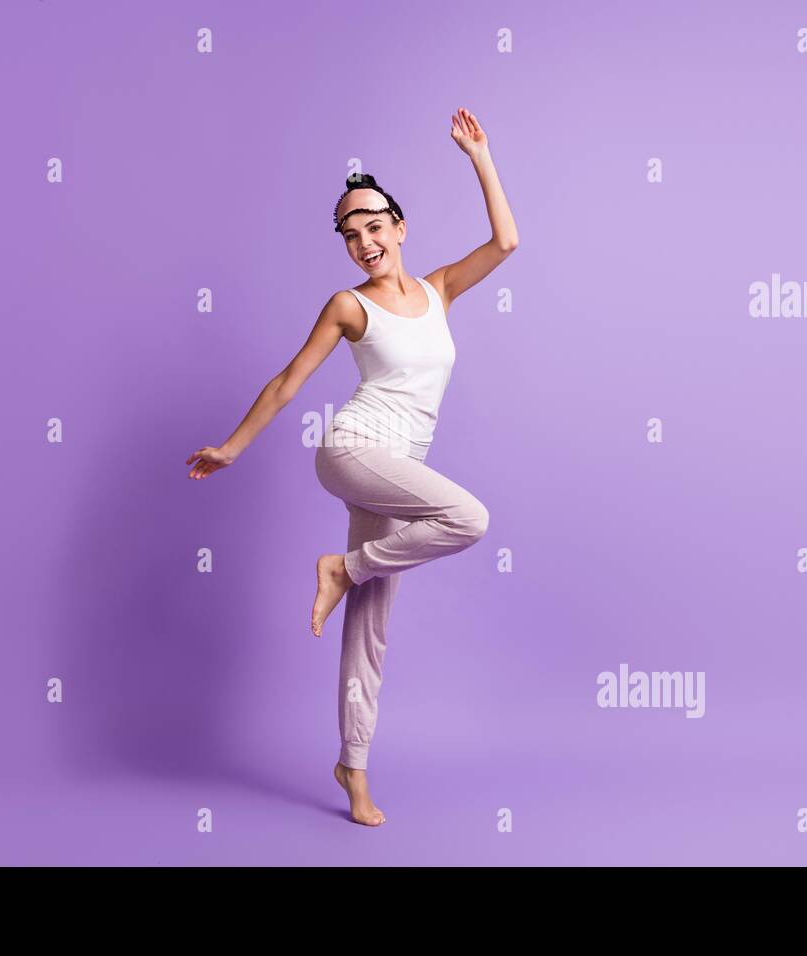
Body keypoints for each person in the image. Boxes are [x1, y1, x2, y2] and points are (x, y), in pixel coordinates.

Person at [186, 108, 519, 826]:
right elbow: (287, 381)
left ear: (399, 226)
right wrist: (232, 448)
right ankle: (341, 568)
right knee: (470, 518)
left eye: (372, 224)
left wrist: (479, 157)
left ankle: (353, 769)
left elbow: (506, 241)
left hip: (398, 473)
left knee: (369, 629)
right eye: (349, 233)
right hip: (353, 451)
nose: (362, 240)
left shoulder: (439, 291)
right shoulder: (348, 305)